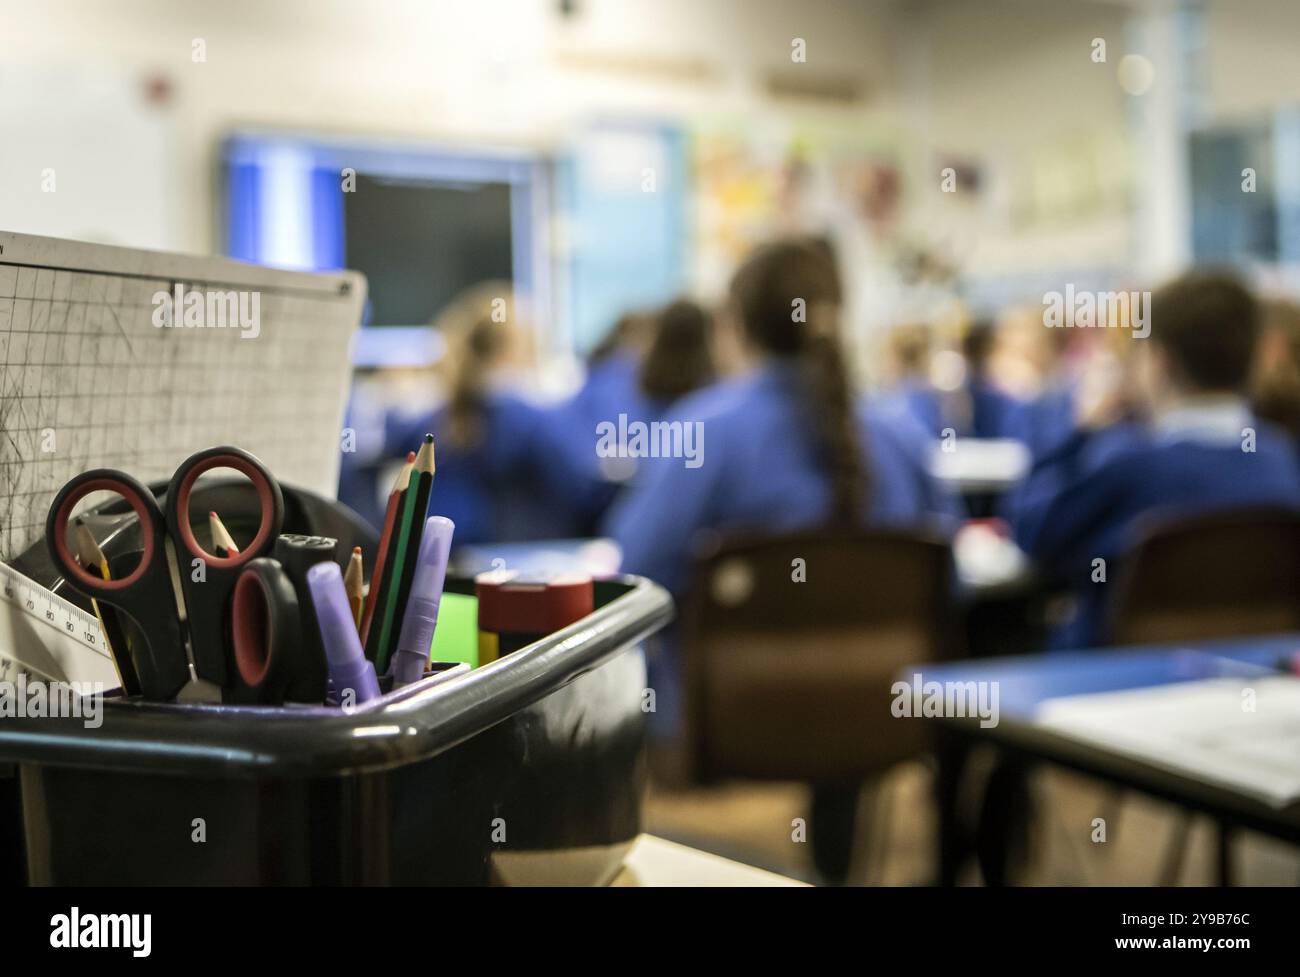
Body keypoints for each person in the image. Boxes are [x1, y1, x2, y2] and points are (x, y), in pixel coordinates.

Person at [604, 238, 954, 883]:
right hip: (885, 713)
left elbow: (634, 570)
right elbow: (947, 569)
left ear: (735, 327)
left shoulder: (703, 432)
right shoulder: (902, 435)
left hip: (731, 719)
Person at [1007, 270, 1300, 648]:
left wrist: (1083, 429)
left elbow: (1030, 528)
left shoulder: (1131, 466)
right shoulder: (1278, 459)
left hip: (1108, 683)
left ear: (1158, 361)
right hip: (1251, 674)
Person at [385, 282, 585, 544]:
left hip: (444, 562)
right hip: (515, 563)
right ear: (516, 349)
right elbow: (580, 487)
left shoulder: (435, 419)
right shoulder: (529, 421)